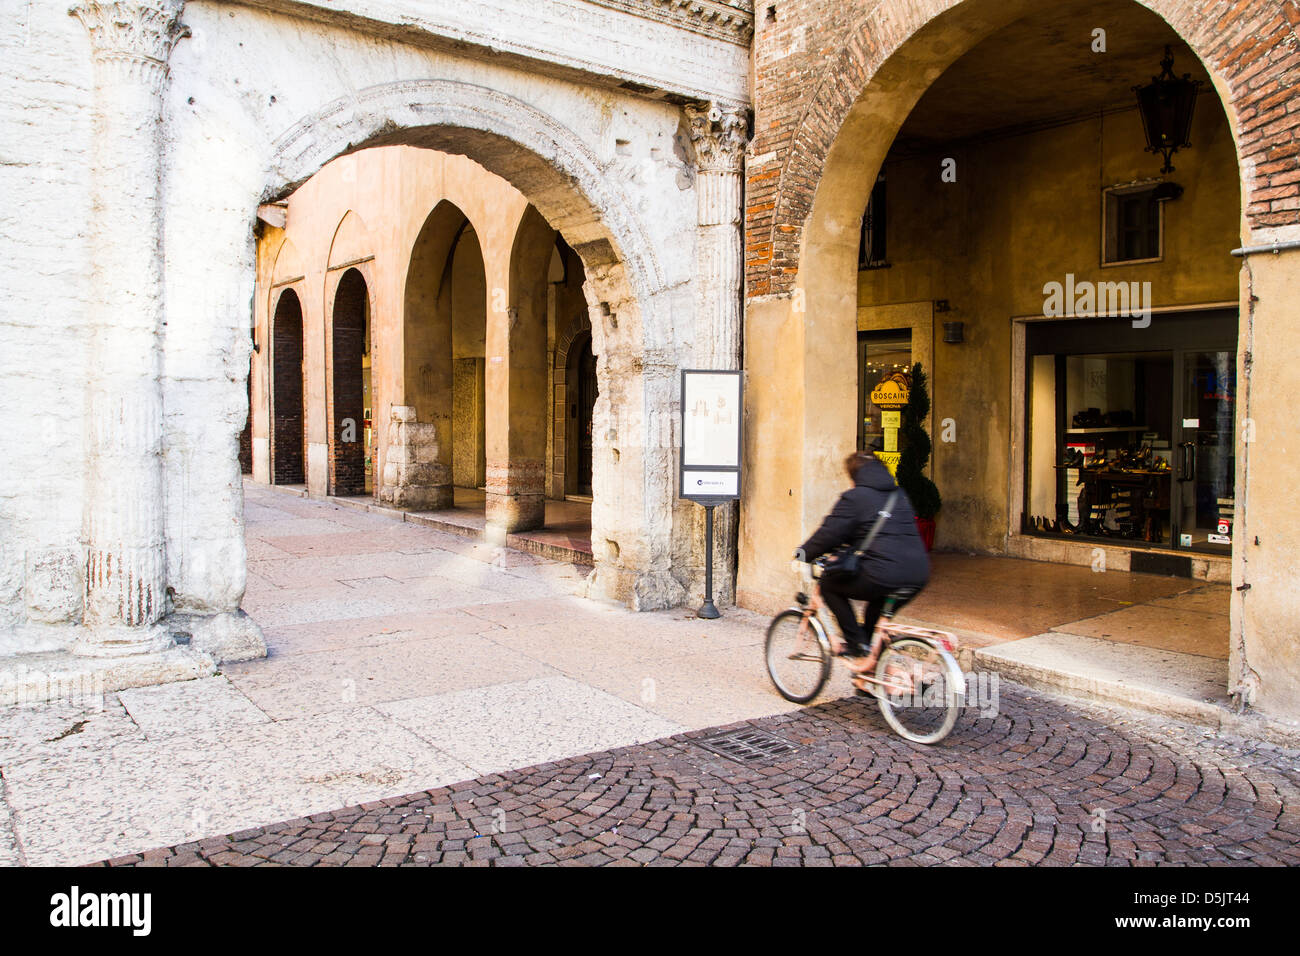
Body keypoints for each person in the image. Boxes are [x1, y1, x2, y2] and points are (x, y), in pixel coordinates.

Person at [796, 447, 930, 685]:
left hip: (884, 573)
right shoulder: (898, 495)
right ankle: (868, 675)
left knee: (829, 585)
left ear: (854, 475)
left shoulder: (856, 497)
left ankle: (857, 647)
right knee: (874, 613)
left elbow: (829, 533)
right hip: (918, 573)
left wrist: (804, 553)